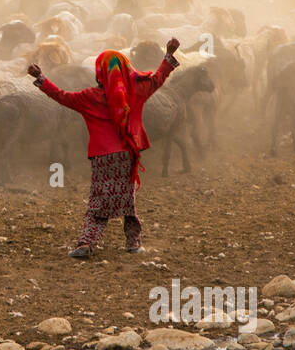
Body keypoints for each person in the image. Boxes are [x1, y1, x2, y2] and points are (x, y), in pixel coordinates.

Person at [28, 38, 181, 258]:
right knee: (128, 200)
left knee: (98, 201)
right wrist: (168, 55)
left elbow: (61, 96)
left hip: (102, 158)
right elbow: (158, 79)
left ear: (100, 73)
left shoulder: (88, 97)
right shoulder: (136, 91)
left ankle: (86, 243)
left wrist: (40, 78)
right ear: (126, 68)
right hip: (127, 154)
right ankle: (133, 243)